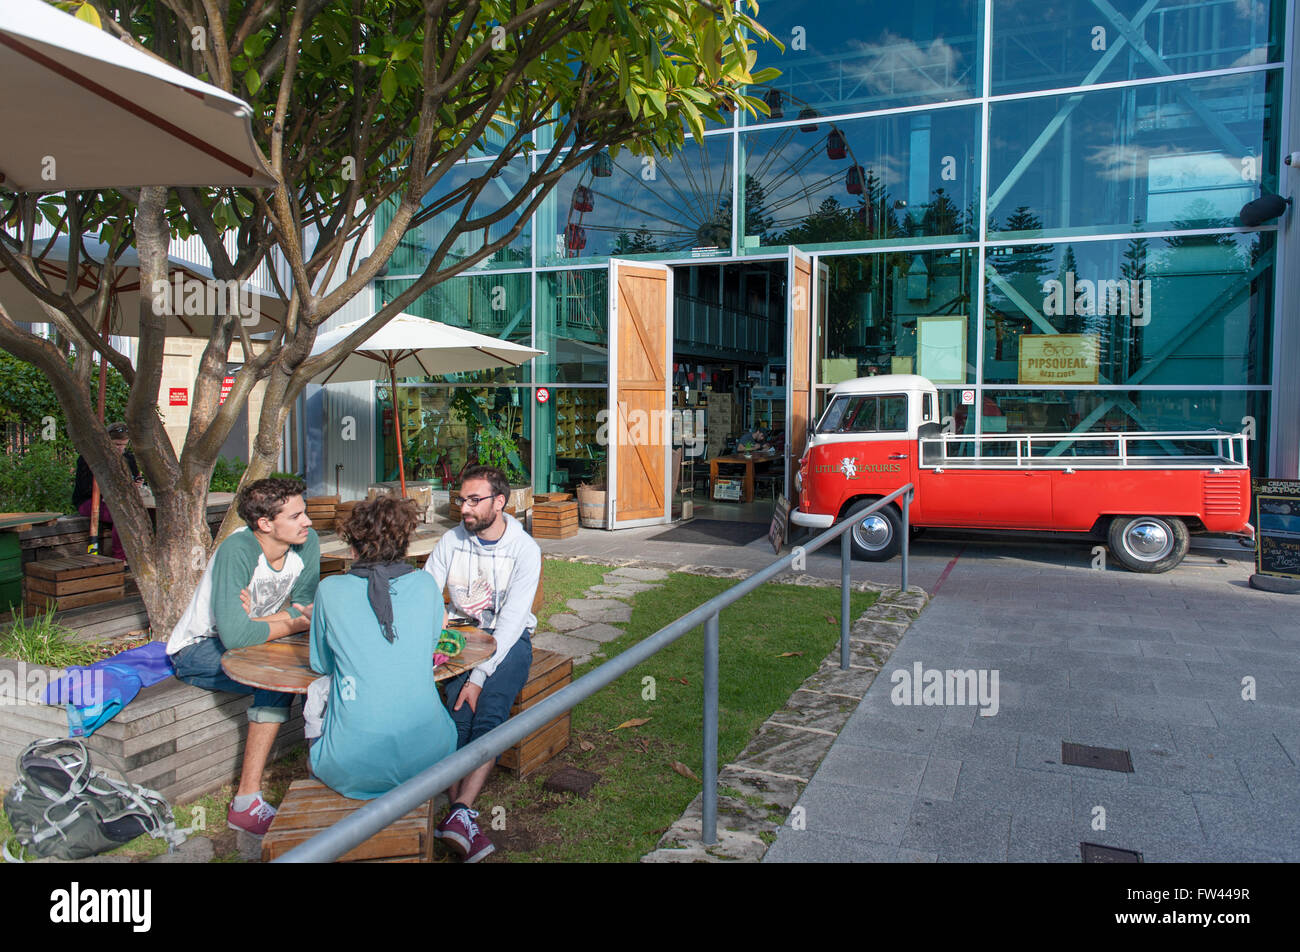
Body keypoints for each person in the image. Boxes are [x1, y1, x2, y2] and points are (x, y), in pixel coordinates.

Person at [166, 477, 319, 836]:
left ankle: (326, 777)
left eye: (305, 512)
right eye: (297, 516)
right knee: (275, 677)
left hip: (255, 642)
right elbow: (235, 635)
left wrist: (259, 621)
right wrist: (285, 620)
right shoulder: (239, 551)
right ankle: (245, 803)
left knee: (320, 663)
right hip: (199, 648)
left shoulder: (306, 544)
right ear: (265, 524)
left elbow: (307, 608)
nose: (308, 522)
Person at [424, 464, 540, 863]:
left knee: (489, 713)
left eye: (475, 501)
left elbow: (509, 626)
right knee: (459, 715)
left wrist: (478, 676)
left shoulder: (525, 550)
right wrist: (438, 628)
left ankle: (457, 811)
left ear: (500, 502)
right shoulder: (450, 542)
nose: (464, 509)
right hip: (462, 637)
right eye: (461, 500)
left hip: (509, 642)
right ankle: (461, 818)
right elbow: (426, 594)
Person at [305, 495, 457, 799]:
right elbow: (425, 650)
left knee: (316, 697)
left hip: (350, 766)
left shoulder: (329, 590)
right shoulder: (427, 585)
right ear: (404, 544)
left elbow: (322, 665)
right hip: (432, 757)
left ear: (353, 546)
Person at [71, 421, 144, 562]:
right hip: (90, 501)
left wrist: (136, 483)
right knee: (122, 515)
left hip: (120, 501)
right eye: (117, 444)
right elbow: (86, 488)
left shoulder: (128, 458)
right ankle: (120, 558)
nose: (120, 449)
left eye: (124, 444)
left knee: (139, 513)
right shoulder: (90, 458)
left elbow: (134, 478)